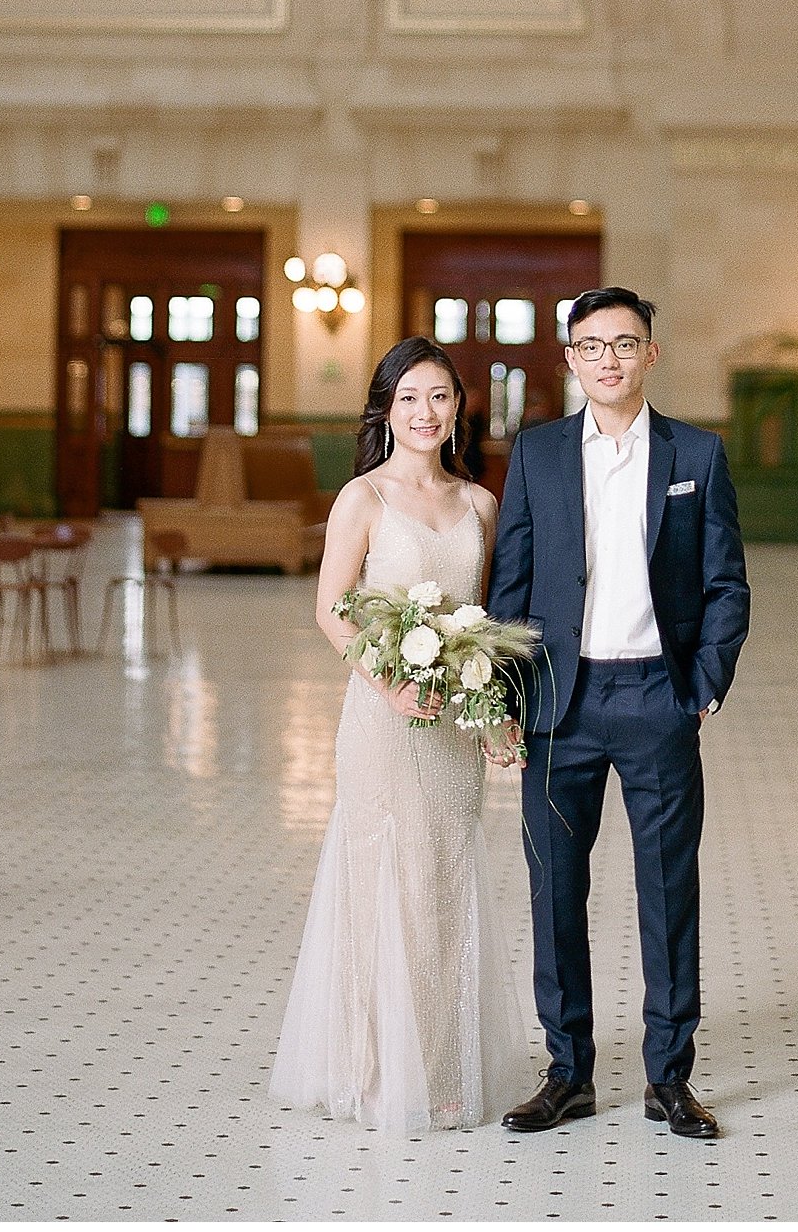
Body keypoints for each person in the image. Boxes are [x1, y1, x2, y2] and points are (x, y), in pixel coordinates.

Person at [487, 287, 750, 1140]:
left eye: (625, 344)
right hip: (559, 703)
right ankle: (568, 1070)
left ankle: (668, 1076)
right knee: (555, 888)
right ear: (569, 358)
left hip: (655, 698)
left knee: (668, 888)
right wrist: (508, 697)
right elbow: (512, 585)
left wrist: (700, 686)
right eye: (591, 345)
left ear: (651, 353)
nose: (608, 359)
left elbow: (725, 584)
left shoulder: (697, 454)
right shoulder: (537, 454)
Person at [269, 338, 532, 1133]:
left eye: (441, 397)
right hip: (384, 720)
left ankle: (444, 1065)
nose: (427, 412)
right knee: (388, 878)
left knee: (446, 878)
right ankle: (377, 1065)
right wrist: (391, 682)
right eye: (411, 397)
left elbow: (485, 623)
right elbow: (331, 608)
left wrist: (495, 716)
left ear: (459, 407)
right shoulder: (363, 498)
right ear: (387, 407)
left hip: (454, 725)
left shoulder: (480, 502)